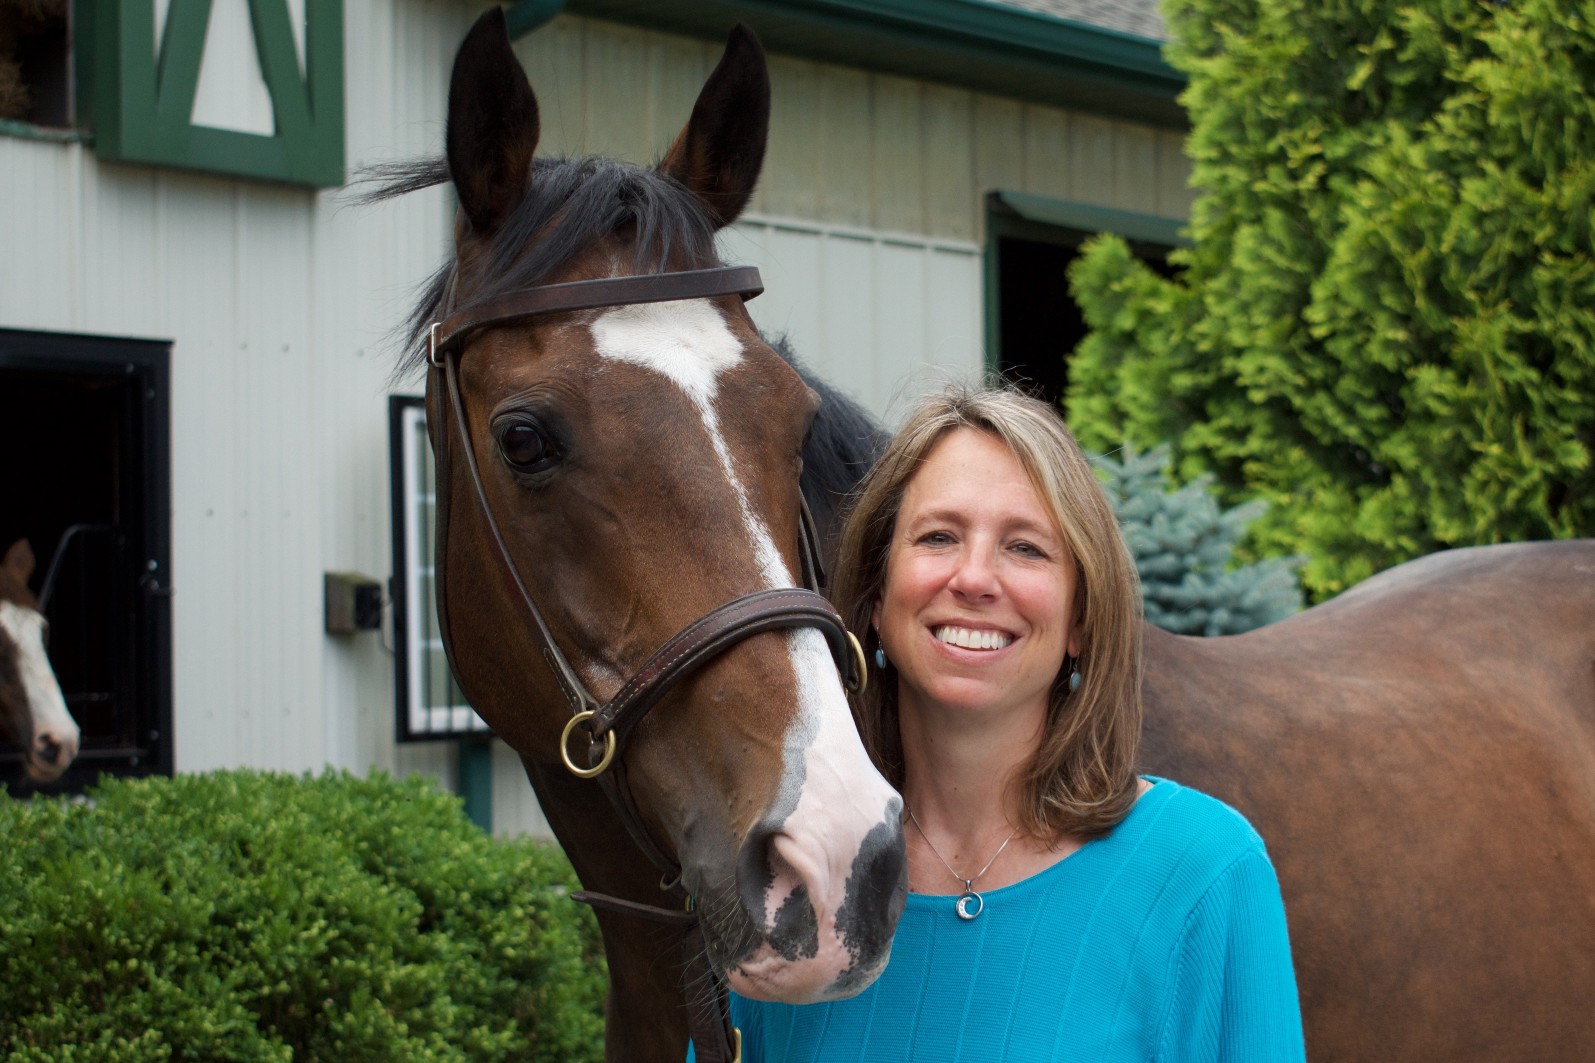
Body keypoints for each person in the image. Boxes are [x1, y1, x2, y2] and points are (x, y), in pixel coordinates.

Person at [722, 384, 1305, 1062]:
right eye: (938, 536)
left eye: (1025, 547)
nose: (973, 578)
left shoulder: (1203, 872)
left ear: (1081, 619)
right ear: (875, 598)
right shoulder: (793, 876)